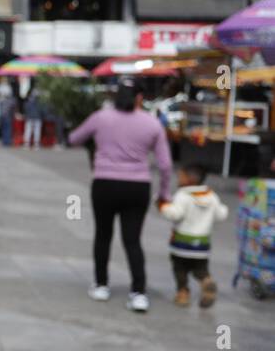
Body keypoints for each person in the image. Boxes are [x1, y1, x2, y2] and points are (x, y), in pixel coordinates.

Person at [67, 79, 173, 312]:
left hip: (104, 183)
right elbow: (165, 165)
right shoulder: (152, 124)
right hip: (138, 187)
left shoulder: (101, 117)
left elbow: (74, 139)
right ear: (139, 98)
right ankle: (138, 293)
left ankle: (101, 285)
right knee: (132, 239)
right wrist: (164, 193)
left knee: (103, 235)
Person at [157, 163, 228, 308]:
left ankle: (183, 293)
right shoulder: (211, 195)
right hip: (202, 244)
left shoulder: (183, 195)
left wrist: (162, 205)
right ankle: (206, 281)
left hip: (182, 242)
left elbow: (175, 214)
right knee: (200, 268)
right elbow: (221, 215)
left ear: (189, 179)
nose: (177, 179)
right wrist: (223, 209)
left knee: (180, 268)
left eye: (180, 176)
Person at [0, 82, 16, 147]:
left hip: (3, 116)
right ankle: (7, 142)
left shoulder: (2, 101)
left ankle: (4, 141)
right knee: (8, 129)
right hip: (8, 116)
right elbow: (13, 107)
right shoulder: (11, 101)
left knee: (4, 129)